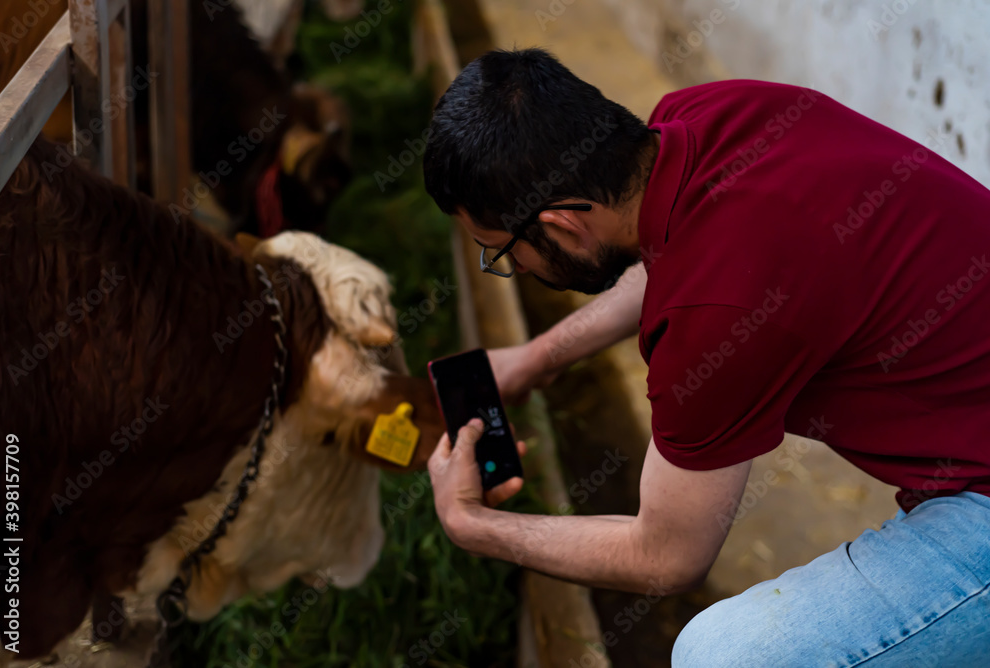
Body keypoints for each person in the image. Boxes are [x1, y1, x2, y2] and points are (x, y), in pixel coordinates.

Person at [421, 48, 990, 666]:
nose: (513, 271)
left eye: (501, 253)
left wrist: (473, 524)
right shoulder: (706, 115)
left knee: (719, 656)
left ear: (560, 226)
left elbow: (665, 556)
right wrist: (538, 357)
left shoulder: (712, 326)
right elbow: (687, 265)